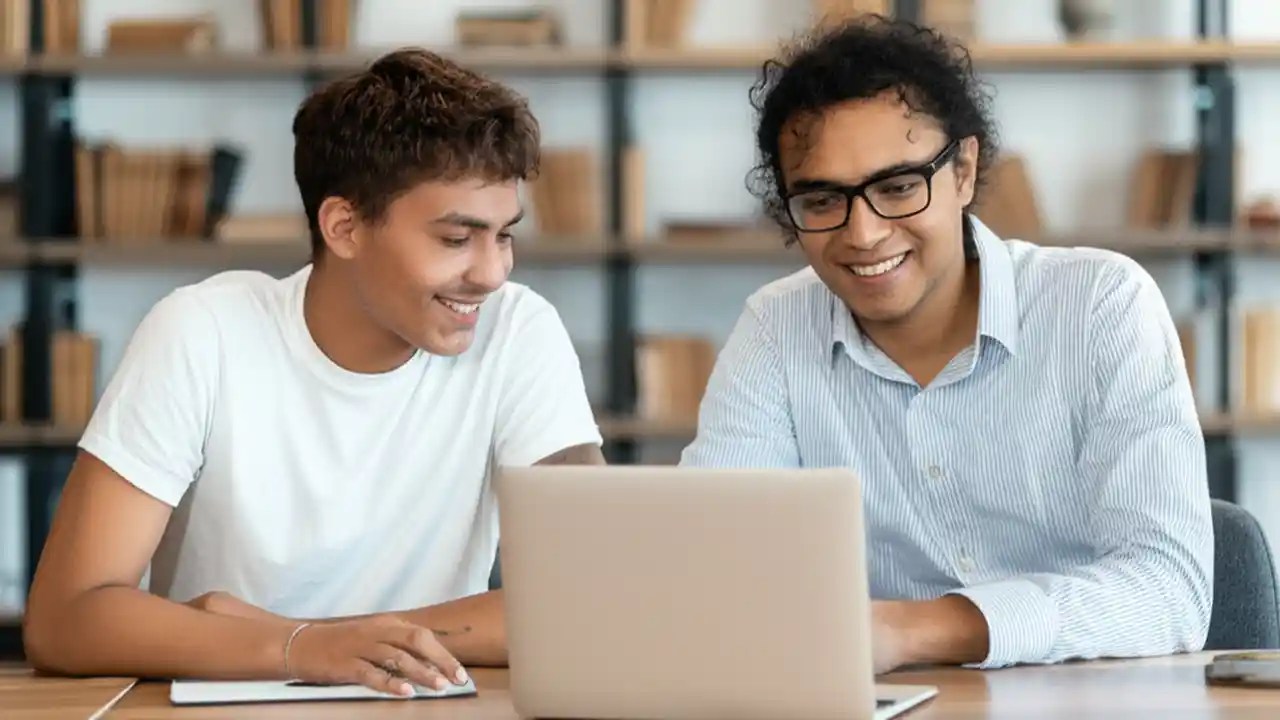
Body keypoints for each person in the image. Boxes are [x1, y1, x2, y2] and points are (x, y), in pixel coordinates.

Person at [23, 48, 604, 695]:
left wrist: (307, 639)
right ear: (344, 227)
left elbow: (595, 595)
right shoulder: (202, 332)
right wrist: (302, 649)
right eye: (455, 239)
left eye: (504, 235)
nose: (492, 273)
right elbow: (65, 617)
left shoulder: (518, 330)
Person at [680, 15, 1213, 674]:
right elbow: (714, 569)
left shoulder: (1101, 305)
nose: (864, 234)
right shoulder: (775, 327)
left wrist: (911, 630)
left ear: (964, 171)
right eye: (821, 201)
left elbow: (1170, 590)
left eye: (898, 187)